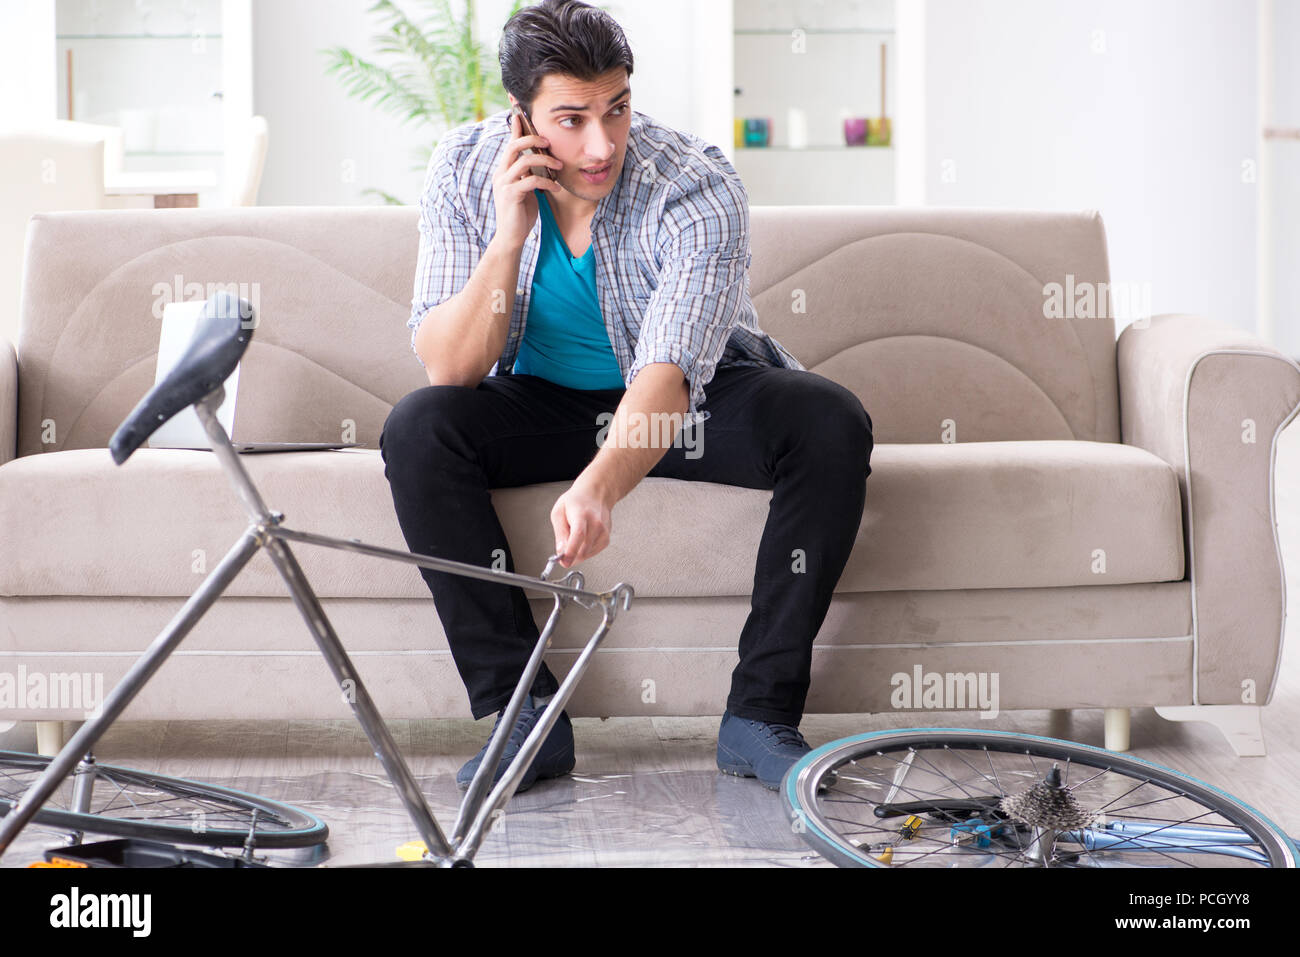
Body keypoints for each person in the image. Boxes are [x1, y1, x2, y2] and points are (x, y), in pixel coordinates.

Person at [380, 0, 873, 792]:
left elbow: (669, 375)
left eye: (616, 109)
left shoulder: (695, 180)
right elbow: (450, 368)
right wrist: (508, 235)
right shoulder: (465, 167)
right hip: (537, 400)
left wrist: (602, 486)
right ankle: (526, 720)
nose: (601, 143)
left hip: (688, 404)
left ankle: (759, 715)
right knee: (418, 428)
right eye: (570, 119)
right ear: (522, 118)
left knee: (827, 418)